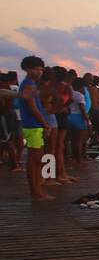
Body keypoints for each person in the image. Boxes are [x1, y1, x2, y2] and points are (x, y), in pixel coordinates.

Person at [17, 55, 55, 201]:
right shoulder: (28, 85)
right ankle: (36, 192)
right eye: (35, 69)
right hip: (33, 126)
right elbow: (33, 109)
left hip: (34, 125)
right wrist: (45, 124)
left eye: (40, 69)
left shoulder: (31, 84)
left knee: (37, 159)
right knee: (34, 160)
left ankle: (38, 191)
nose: (39, 72)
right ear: (27, 69)